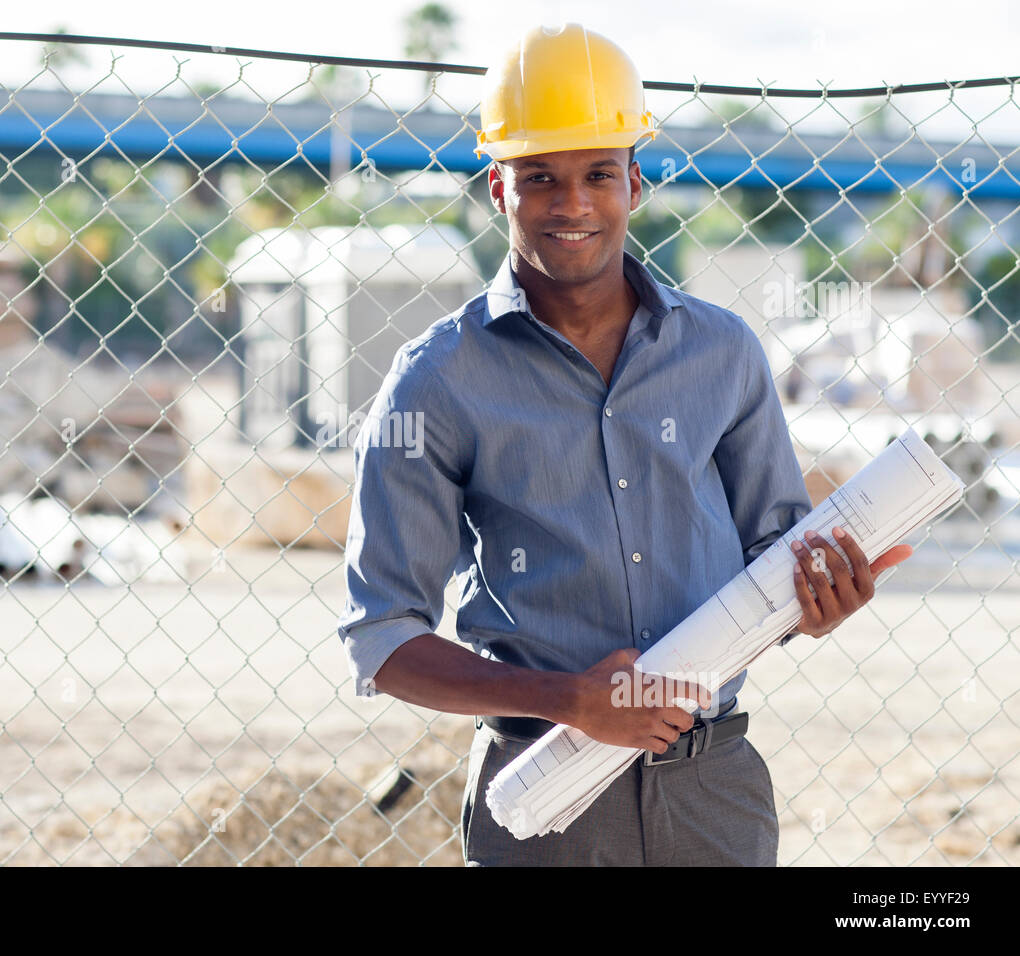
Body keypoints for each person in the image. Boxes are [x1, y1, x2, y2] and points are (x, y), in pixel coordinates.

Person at [335, 22, 913, 866]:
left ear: (634, 183)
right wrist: (569, 698)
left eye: (598, 174)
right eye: (540, 178)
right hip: (545, 789)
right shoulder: (433, 382)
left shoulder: (724, 354)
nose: (572, 204)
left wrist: (819, 603)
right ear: (498, 188)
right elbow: (381, 638)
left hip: (714, 790)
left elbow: (773, 560)